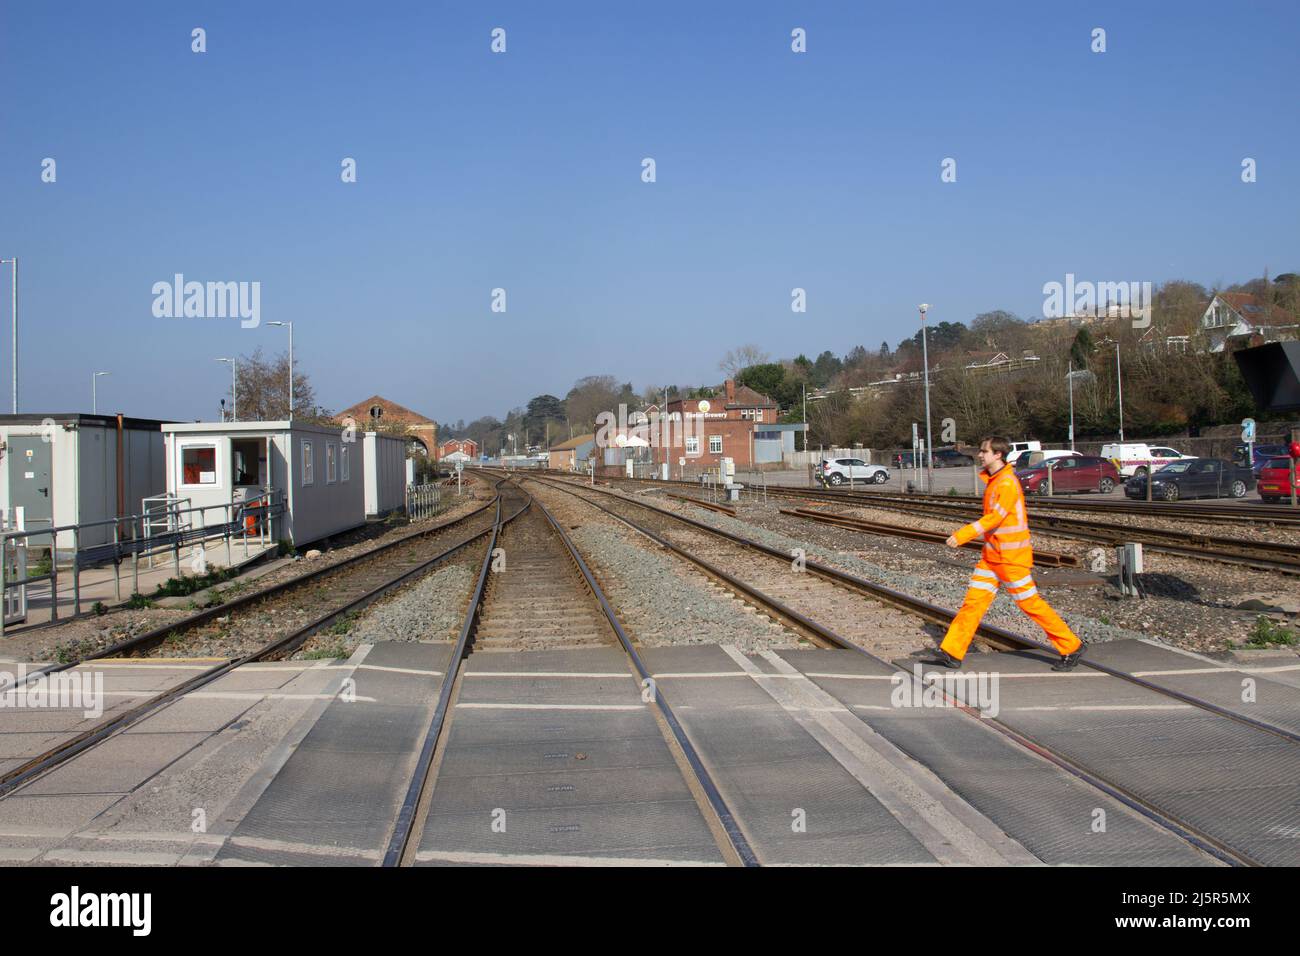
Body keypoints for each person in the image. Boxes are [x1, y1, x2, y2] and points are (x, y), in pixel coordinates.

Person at [930, 435, 1086, 671]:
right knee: (973, 604)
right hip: (992, 557)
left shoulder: (1006, 484)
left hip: (1011, 560)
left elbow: (995, 518)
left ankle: (1071, 646)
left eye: (984, 451)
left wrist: (963, 535)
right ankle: (952, 651)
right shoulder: (996, 481)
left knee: (1030, 604)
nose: (980, 455)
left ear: (997, 455)